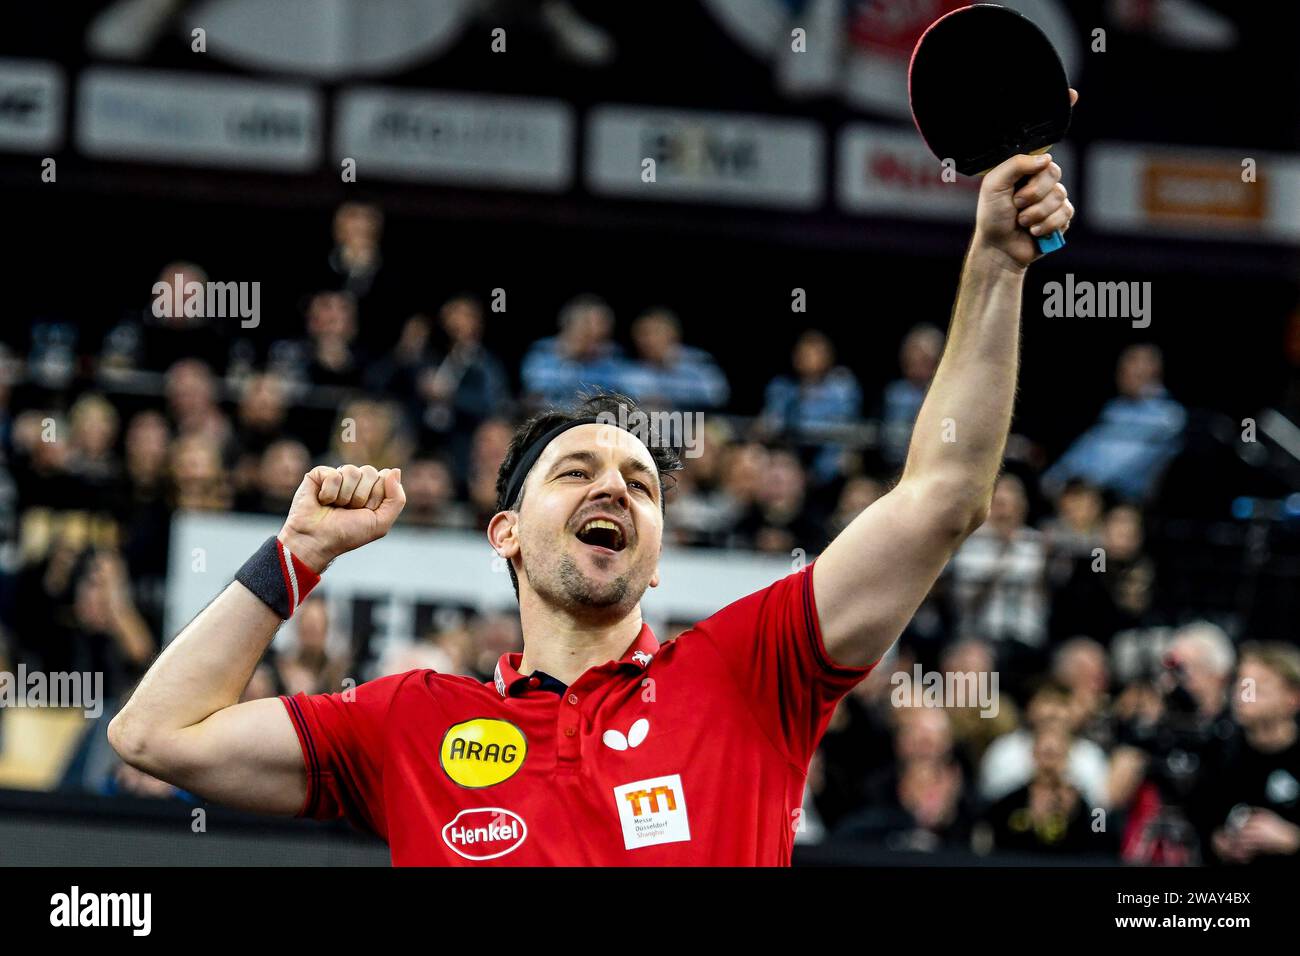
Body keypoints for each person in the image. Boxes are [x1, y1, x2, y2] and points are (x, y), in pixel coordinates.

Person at [108, 141, 1078, 865]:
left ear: (655, 557)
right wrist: (296, 556)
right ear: (507, 534)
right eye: (574, 470)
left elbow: (944, 492)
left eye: (642, 483)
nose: (614, 482)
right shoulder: (407, 722)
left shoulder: (750, 669)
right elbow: (155, 732)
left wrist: (993, 259)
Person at [1041, 344, 1186, 502]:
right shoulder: (1114, 409)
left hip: (1126, 503)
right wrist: (1056, 478)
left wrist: (1086, 484)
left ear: (1154, 371)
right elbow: (1085, 450)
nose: (1124, 375)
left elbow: (1130, 466)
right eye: (1122, 370)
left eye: (1133, 368)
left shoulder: (1169, 416)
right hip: (1085, 496)